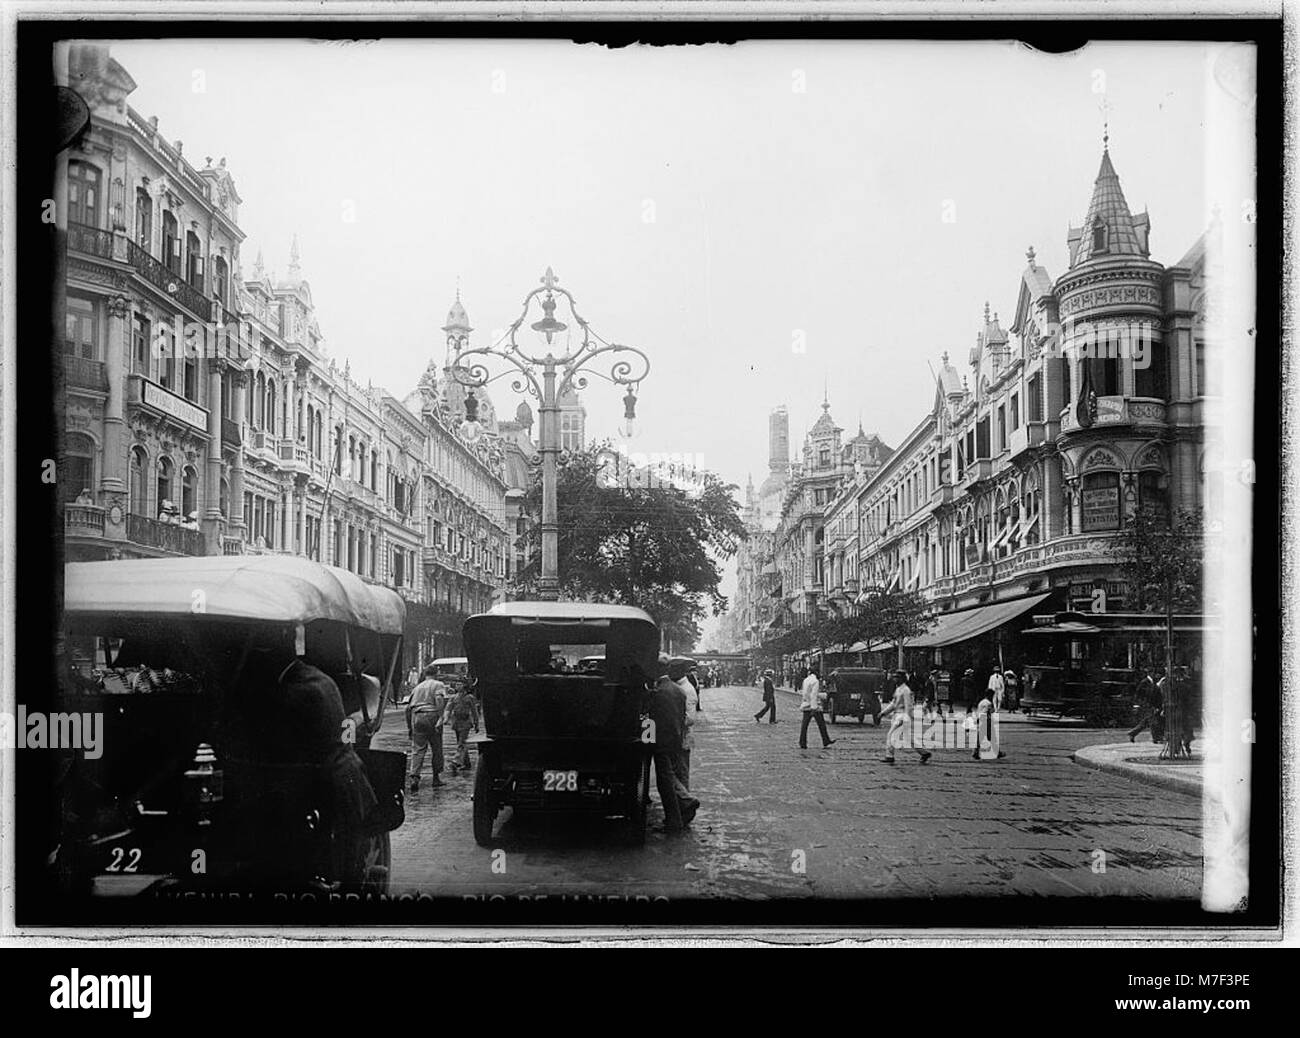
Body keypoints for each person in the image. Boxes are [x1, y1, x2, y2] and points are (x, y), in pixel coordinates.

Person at [648, 666, 697, 833]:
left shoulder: (660, 691)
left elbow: (655, 720)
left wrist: (649, 740)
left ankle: (680, 810)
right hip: (674, 740)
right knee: (669, 776)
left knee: (666, 780)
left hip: (661, 741)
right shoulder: (678, 690)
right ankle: (680, 809)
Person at [405, 665, 448, 793]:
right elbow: (439, 700)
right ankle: (436, 778)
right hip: (432, 715)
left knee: (418, 749)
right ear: (436, 673)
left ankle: (415, 778)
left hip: (417, 717)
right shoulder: (438, 684)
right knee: (436, 748)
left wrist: (410, 727)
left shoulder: (417, 687)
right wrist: (440, 717)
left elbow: (408, 709)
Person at [879, 670, 932, 764]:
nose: (895, 679)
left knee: (891, 735)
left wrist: (907, 717)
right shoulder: (898, 689)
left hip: (902, 716)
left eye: (898, 677)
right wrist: (884, 712)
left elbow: (909, 706)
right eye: (895, 677)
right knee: (909, 737)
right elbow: (894, 704)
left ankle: (889, 756)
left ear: (903, 679)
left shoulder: (906, 690)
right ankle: (924, 753)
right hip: (899, 715)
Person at [669, 660, 696, 788]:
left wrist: (671, 721)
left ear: (680, 671)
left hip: (682, 738)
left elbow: (690, 719)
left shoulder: (687, 690)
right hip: (675, 737)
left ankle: (686, 803)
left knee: (682, 773)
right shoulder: (677, 686)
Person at [442, 683, 480, 775]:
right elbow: (448, 709)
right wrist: (446, 718)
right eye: (457, 684)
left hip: (465, 722)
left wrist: (476, 723)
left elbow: (474, 711)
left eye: (460, 684)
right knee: (461, 742)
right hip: (456, 722)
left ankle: (456, 761)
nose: (458, 686)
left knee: (462, 743)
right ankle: (466, 763)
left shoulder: (469, 697)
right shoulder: (453, 697)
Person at [798, 665, 835, 750]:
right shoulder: (815, 681)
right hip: (814, 706)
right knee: (821, 725)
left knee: (804, 725)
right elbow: (813, 694)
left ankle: (802, 742)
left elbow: (806, 693)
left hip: (806, 704)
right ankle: (826, 740)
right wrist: (814, 707)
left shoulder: (806, 680)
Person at [1127, 667, 1161, 743]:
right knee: (1153, 721)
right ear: (1150, 673)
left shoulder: (1153, 682)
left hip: (1151, 705)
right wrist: (1138, 704)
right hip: (1146, 705)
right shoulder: (1144, 682)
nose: (1155, 675)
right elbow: (1138, 694)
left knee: (1145, 722)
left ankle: (1132, 733)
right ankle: (1156, 738)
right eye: (1153, 673)